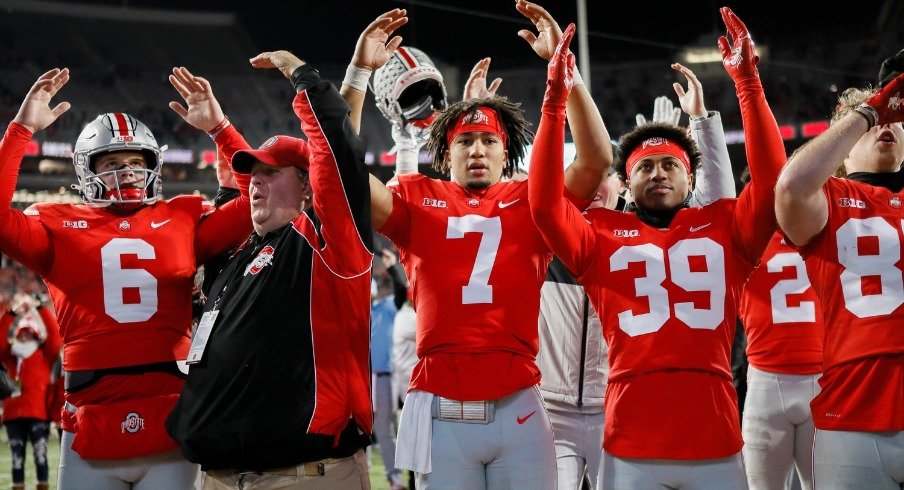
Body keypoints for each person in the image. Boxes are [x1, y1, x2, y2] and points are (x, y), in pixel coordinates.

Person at [355, 1, 611, 487]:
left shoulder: (532, 202)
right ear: (444, 152)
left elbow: (595, 160)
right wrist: (357, 75)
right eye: (465, 140)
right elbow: (345, 179)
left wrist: (565, 68)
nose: (477, 149)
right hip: (440, 403)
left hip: (519, 400)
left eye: (489, 140)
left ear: (506, 150)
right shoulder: (417, 197)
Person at [528, 8, 785, 488]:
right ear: (626, 183)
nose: (659, 173)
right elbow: (544, 205)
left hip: (715, 440)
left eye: (671, 164)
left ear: (691, 178)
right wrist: (554, 98)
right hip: (630, 443)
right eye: (646, 167)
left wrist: (749, 84)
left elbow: (772, 183)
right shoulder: (600, 232)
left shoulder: (726, 225)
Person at [0, 65, 252, 488]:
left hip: (170, 414)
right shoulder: (56, 224)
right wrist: (22, 129)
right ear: (85, 171)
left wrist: (221, 128)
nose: (128, 172)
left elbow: (257, 200)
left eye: (137, 161)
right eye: (113, 162)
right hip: (88, 417)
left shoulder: (182, 216)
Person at [165, 38, 381, 487]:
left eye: (270, 173)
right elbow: (233, 189)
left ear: (307, 187)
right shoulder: (245, 252)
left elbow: (337, 152)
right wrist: (220, 129)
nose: (255, 184)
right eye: (253, 175)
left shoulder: (325, 242)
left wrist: (302, 75)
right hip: (223, 476)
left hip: (302, 475)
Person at [773, 54, 904, 487]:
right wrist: (868, 111)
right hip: (854, 409)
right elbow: (790, 186)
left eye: (895, 118)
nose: (886, 123)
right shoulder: (827, 195)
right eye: (874, 121)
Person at [0, 294, 61, 490]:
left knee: (40, 455)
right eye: (21, 334)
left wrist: (41, 308)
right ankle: (18, 486)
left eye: (29, 334)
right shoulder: (10, 357)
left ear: (35, 336)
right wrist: (11, 314)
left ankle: (42, 485)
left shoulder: (45, 354)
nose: (25, 337)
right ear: (16, 336)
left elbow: (54, 335)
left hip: (37, 413)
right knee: (16, 458)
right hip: (12, 414)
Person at [370, 248, 406, 490]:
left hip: (401, 375)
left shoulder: (388, 306)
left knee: (409, 426)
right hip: (378, 378)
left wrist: (392, 267)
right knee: (382, 428)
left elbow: (402, 290)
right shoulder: (362, 313)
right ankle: (393, 477)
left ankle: (419, 474)